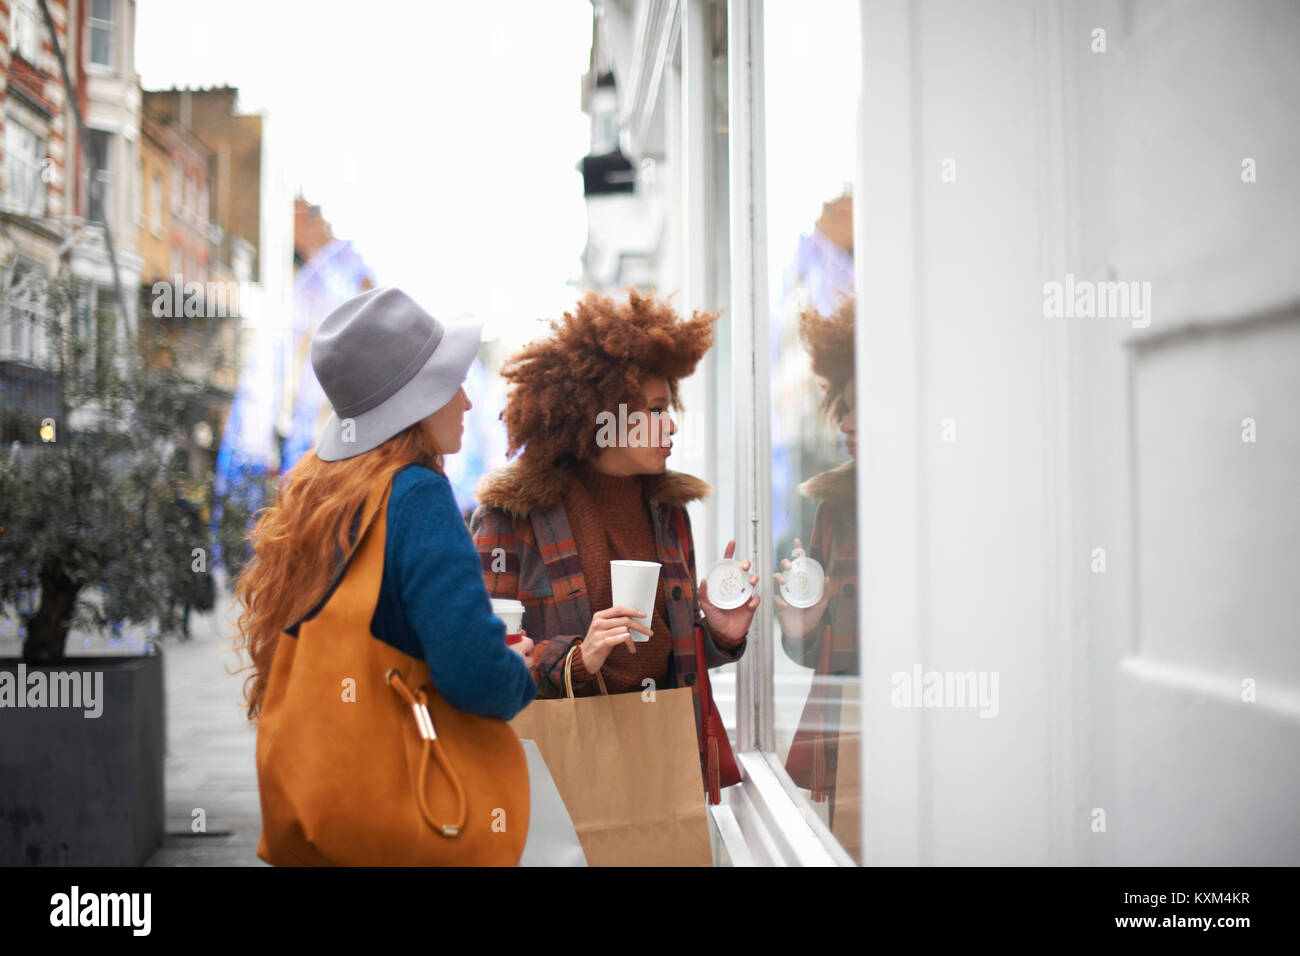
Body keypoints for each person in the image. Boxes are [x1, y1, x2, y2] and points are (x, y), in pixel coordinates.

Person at [469, 289, 759, 797]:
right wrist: (577, 660)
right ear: (599, 416)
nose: (670, 425)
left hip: (662, 765)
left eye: (669, 407)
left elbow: (667, 658)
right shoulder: (512, 518)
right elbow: (480, 659)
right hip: (557, 778)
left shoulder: (670, 516)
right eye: (653, 409)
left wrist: (717, 633)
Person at [234, 286, 536, 728]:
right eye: (452, 384)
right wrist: (515, 671)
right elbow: (476, 677)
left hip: (327, 770)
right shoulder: (418, 497)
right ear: (418, 404)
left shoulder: (321, 492)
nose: (467, 401)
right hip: (404, 778)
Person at [775, 298, 860, 847]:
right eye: (844, 407)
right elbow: (820, 654)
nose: (847, 423)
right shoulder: (836, 511)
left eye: (865, 406)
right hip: (853, 736)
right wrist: (801, 628)